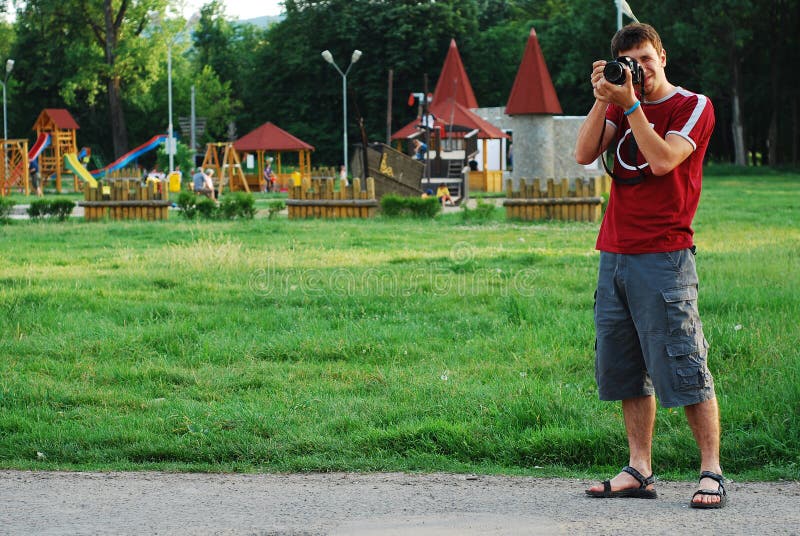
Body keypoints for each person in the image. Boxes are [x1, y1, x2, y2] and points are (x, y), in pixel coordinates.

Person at [574, 23, 724, 509]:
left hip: (664, 254)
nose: (638, 68)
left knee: (683, 363)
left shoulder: (692, 106)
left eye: (645, 57)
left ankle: (711, 472)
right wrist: (604, 97)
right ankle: (639, 469)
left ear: (662, 55)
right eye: (628, 61)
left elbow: (662, 160)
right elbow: (581, 154)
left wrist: (632, 104)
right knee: (625, 368)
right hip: (615, 251)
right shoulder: (620, 103)